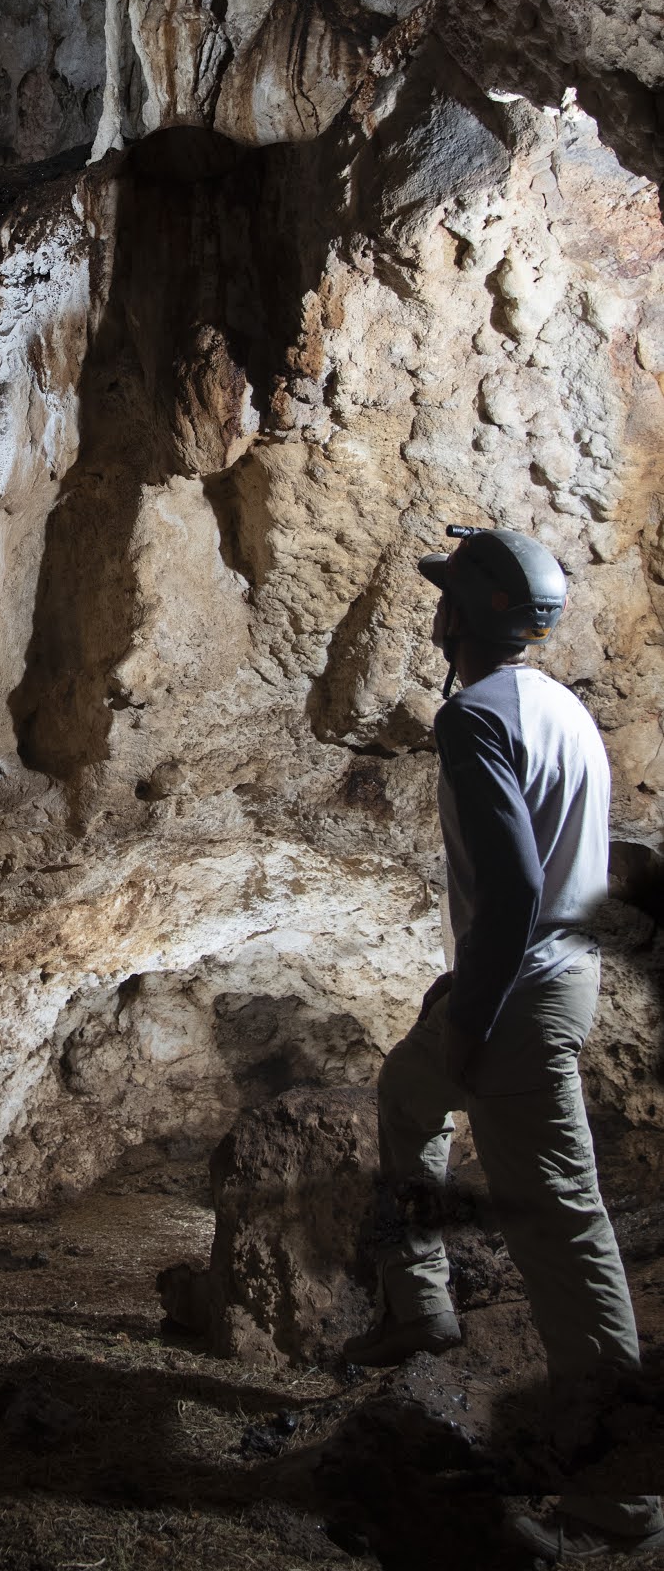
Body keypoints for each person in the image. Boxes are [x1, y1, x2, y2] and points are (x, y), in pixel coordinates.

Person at [345, 525, 662, 1562]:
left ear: (473, 612)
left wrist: (474, 1012)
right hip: (542, 978)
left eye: (445, 594)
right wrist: (459, 986)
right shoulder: (562, 708)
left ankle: (618, 1487)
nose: (432, 607)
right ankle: (419, 1305)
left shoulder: (474, 715)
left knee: (562, 1225)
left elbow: (516, 882)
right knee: (404, 1091)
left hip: (517, 999)